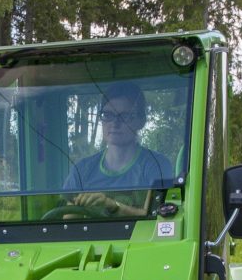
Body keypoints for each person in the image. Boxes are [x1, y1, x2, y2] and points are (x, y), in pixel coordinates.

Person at [60, 81, 172, 217]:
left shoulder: (156, 165)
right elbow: (69, 222)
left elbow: (158, 218)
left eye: (124, 116)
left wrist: (113, 206)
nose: (114, 123)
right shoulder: (81, 170)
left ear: (141, 121)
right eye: (107, 115)